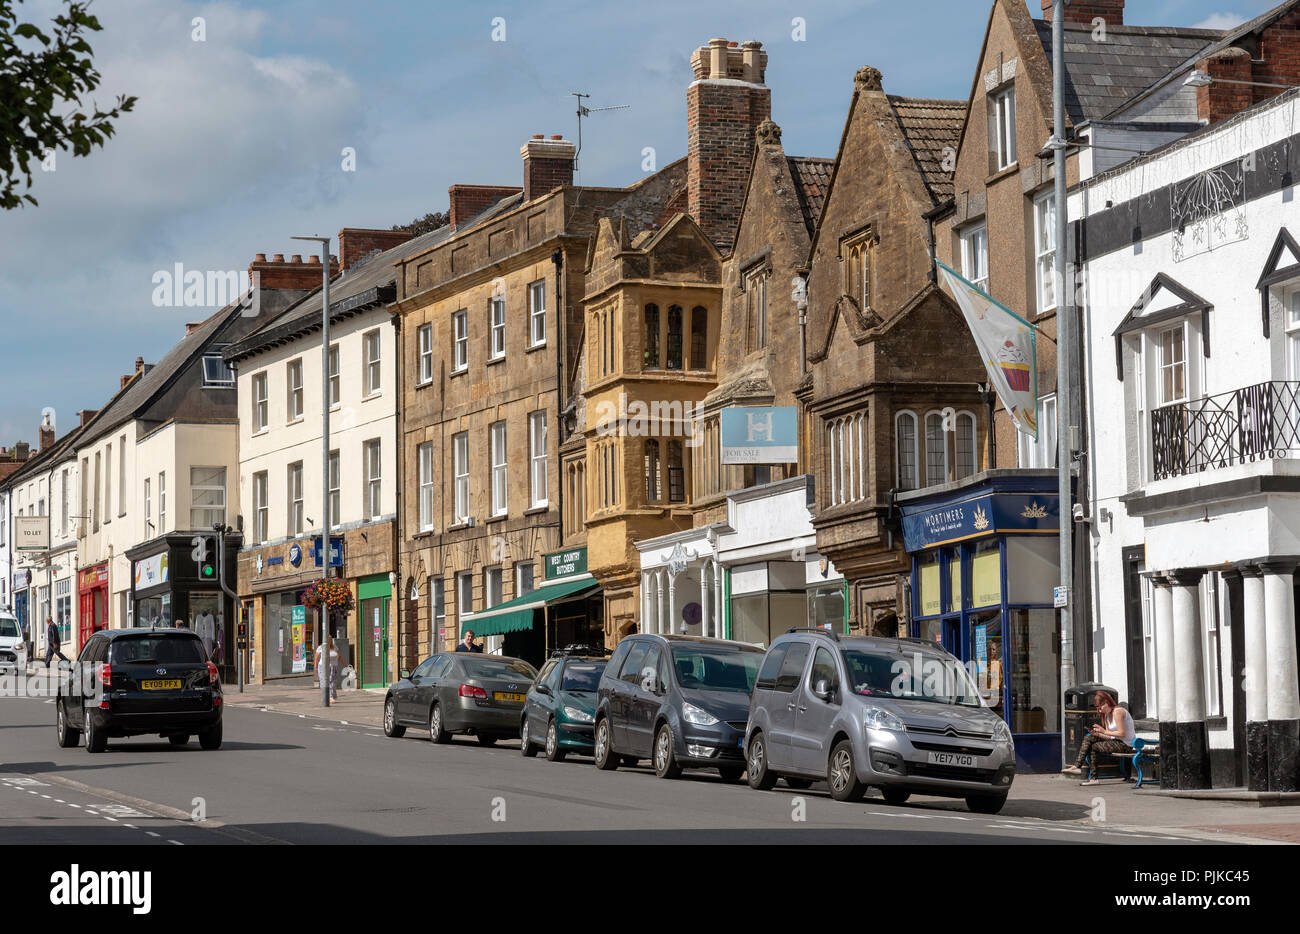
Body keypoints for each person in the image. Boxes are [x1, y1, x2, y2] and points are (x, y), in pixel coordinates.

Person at [1062, 689, 1136, 782]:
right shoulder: (1107, 715)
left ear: (1106, 702)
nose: (1099, 711)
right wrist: (1098, 734)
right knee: (1089, 737)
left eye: (1100, 707)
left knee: (1094, 747)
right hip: (1116, 742)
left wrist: (1104, 731)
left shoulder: (1118, 712)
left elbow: (1122, 733)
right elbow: (1110, 737)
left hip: (1125, 744)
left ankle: (1092, 777)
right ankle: (1077, 766)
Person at [314, 635, 339, 701]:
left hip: (333, 667)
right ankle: (327, 696)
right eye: (328, 639)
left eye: (330, 639)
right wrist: (316, 667)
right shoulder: (320, 648)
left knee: (332, 682)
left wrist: (346, 665)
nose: (329, 641)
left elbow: (340, 656)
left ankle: (332, 696)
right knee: (324, 682)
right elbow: (316, 658)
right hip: (322, 667)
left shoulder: (334, 647)